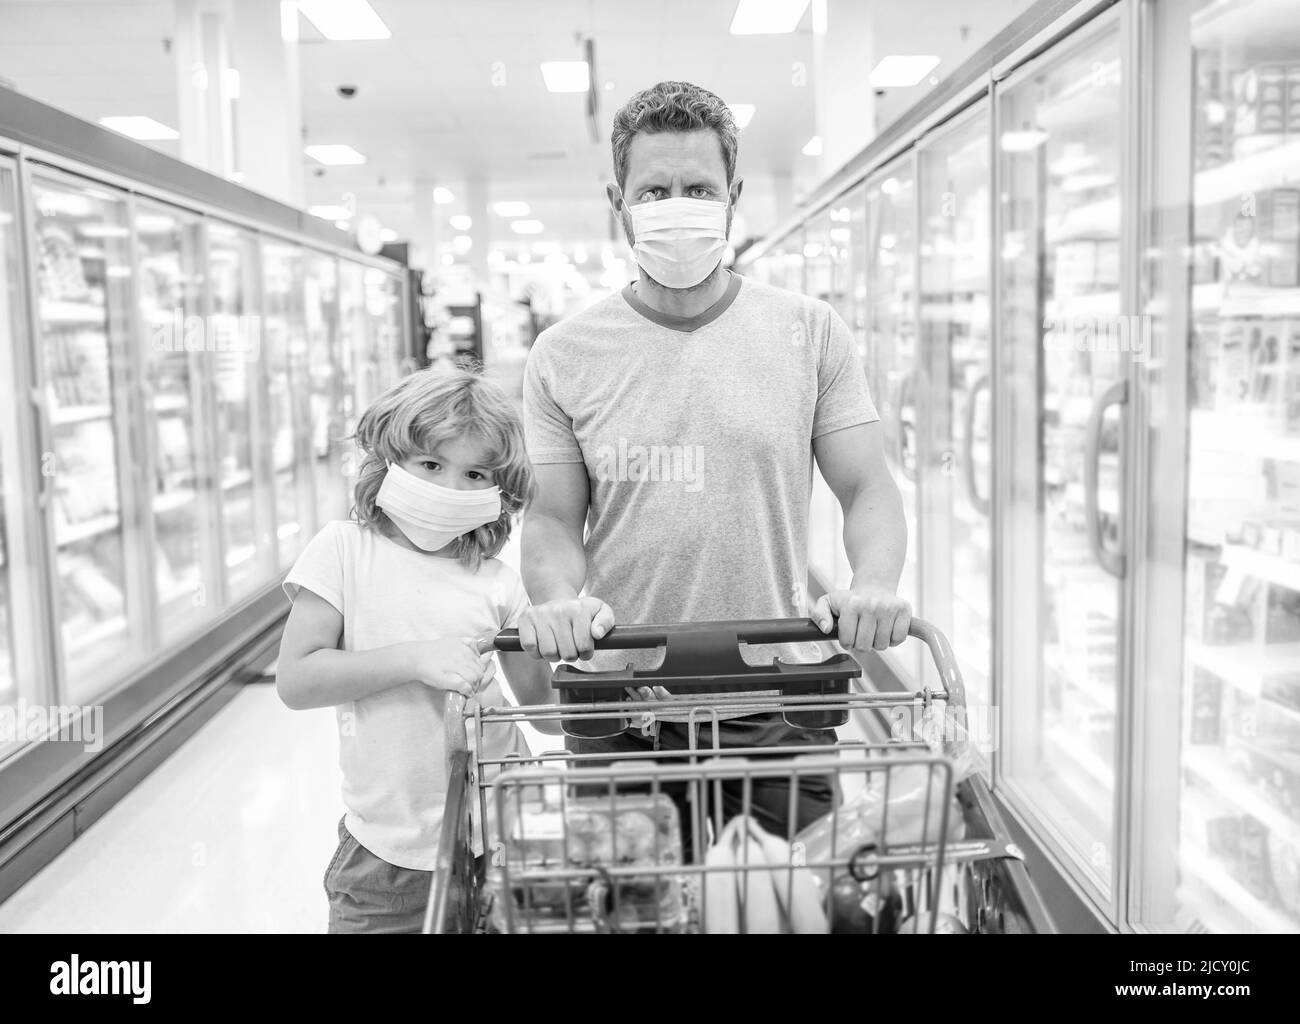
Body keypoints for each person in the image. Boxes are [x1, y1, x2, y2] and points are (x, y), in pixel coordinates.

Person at [518, 80, 911, 851]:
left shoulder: (809, 333)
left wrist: (874, 585)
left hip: (780, 703)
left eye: (698, 188)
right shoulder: (564, 355)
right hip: (619, 706)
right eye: (654, 189)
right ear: (618, 201)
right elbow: (553, 518)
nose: (677, 204)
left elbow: (868, 486)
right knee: (634, 911)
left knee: (787, 907)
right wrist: (557, 599)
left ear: (732, 196)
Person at [275, 368, 555, 934]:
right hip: (389, 855)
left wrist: (612, 688)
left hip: (506, 834)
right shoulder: (344, 553)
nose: (450, 488)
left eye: (475, 473)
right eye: (430, 464)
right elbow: (297, 681)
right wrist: (414, 659)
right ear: (388, 462)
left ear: (500, 493)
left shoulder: (496, 580)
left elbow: (541, 705)